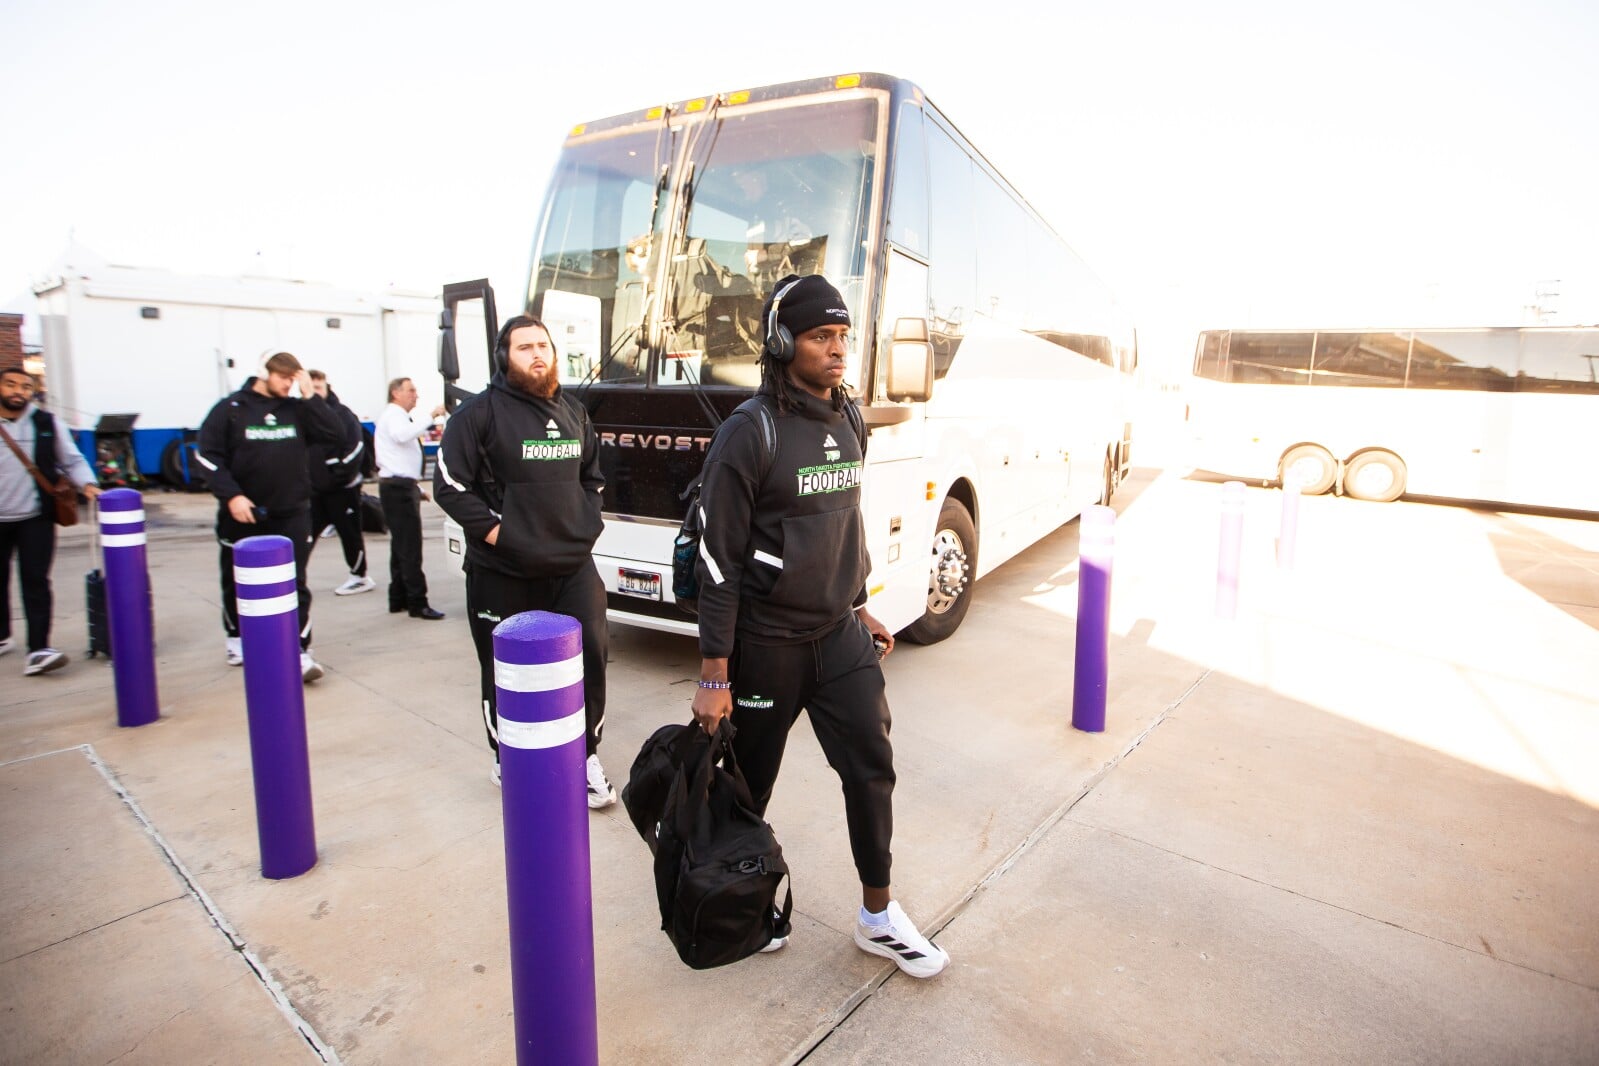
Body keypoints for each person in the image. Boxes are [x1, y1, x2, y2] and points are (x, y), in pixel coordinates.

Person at [689, 274, 949, 977]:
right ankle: (743, 906)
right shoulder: (750, 432)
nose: (837, 351)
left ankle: (877, 915)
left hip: (837, 636)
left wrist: (859, 602)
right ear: (782, 343)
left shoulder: (847, 416)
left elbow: (841, 521)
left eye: (841, 337)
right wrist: (715, 672)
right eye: (819, 338)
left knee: (871, 767)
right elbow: (719, 562)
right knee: (749, 791)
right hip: (765, 647)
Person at [433, 315, 615, 803]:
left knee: (592, 657)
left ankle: (586, 754)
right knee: (504, 672)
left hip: (572, 568)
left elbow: (592, 480)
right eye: (524, 347)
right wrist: (499, 534)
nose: (537, 354)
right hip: (502, 572)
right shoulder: (477, 415)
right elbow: (449, 486)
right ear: (503, 357)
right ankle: (506, 757)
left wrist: (585, 526)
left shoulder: (575, 412)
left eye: (544, 345)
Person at [196, 350, 346, 682]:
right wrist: (232, 495)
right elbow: (207, 456)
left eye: (293, 378)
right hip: (243, 514)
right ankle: (237, 639)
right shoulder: (230, 410)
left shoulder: (296, 409)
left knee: (295, 582)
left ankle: (299, 650)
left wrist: (310, 396)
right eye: (283, 377)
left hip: (291, 512)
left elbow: (336, 434)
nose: (288, 383)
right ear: (262, 373)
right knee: (236, 580)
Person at [0, 362, 101, 675]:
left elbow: (70, 459)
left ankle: (39, 649)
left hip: (36, 516)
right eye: (11, 385)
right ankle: (3, 635)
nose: (19, 392)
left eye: (26, 387)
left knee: (36, 581)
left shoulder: (45, 422)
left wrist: (88, 484)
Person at [374, 377, 446, 620]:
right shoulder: (394, 416)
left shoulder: (395, 415)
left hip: (401, 486)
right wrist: (431, 416)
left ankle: (398, 598)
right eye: (411, 390)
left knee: (400, 546)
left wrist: (415, 487)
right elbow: (402, 436)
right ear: (395, 393)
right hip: (397, 489)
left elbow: (399, 457)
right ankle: (418, 602)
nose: (416, 395)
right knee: (410, 548)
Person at [305, 370, 373, 596]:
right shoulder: (305, 415)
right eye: (310, 388)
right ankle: (293, 576)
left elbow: (355, 448)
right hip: (315, 491)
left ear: (326, 387)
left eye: (318, 388)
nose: (315, 393)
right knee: (304, 533)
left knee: (350, 533)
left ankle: (359, 576)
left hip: (342, 489)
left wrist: (338, 477)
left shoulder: (343, 415)